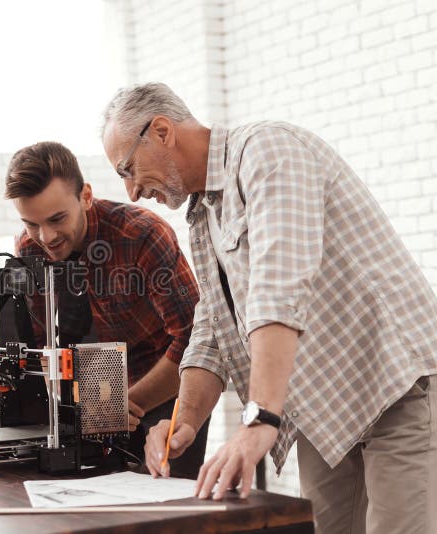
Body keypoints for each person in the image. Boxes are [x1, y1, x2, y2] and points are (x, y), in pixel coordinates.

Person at [100, 82, 437, 534]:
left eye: (127, 168)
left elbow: (279, 289)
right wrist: (185, 421)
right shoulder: (203, 216)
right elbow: (211, 334)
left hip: (395, 387)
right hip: (329, 409)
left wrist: (259, 418)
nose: (132, 191)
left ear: (161, 131)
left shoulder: (268, 151)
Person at [5, 141, 209, 477]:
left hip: (167, 385)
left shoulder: (143, 234)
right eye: (31, 223)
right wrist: (83, 403)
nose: (47, 236)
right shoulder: (30, 249)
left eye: (57, 219)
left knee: (167, 496)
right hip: (96, 399)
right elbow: (44, 345)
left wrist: (125, 403)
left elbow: (194, 341)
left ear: (85, 196)